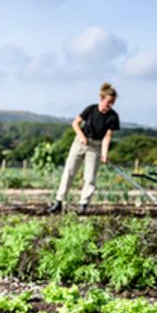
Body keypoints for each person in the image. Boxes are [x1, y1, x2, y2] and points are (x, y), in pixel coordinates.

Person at [47, 83, 120, 215]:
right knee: (69, 171)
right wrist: (81, 136)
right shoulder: (90, 109)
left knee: (90, 177)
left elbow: (107, 136)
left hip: (96, 146)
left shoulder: (113, 117)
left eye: (112, 103)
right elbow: (75, 123)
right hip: (80, 143)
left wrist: (104, 153)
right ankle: (58, 202)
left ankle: (83, 205)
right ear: (102, 98)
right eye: (108, 102)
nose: (110, 106)